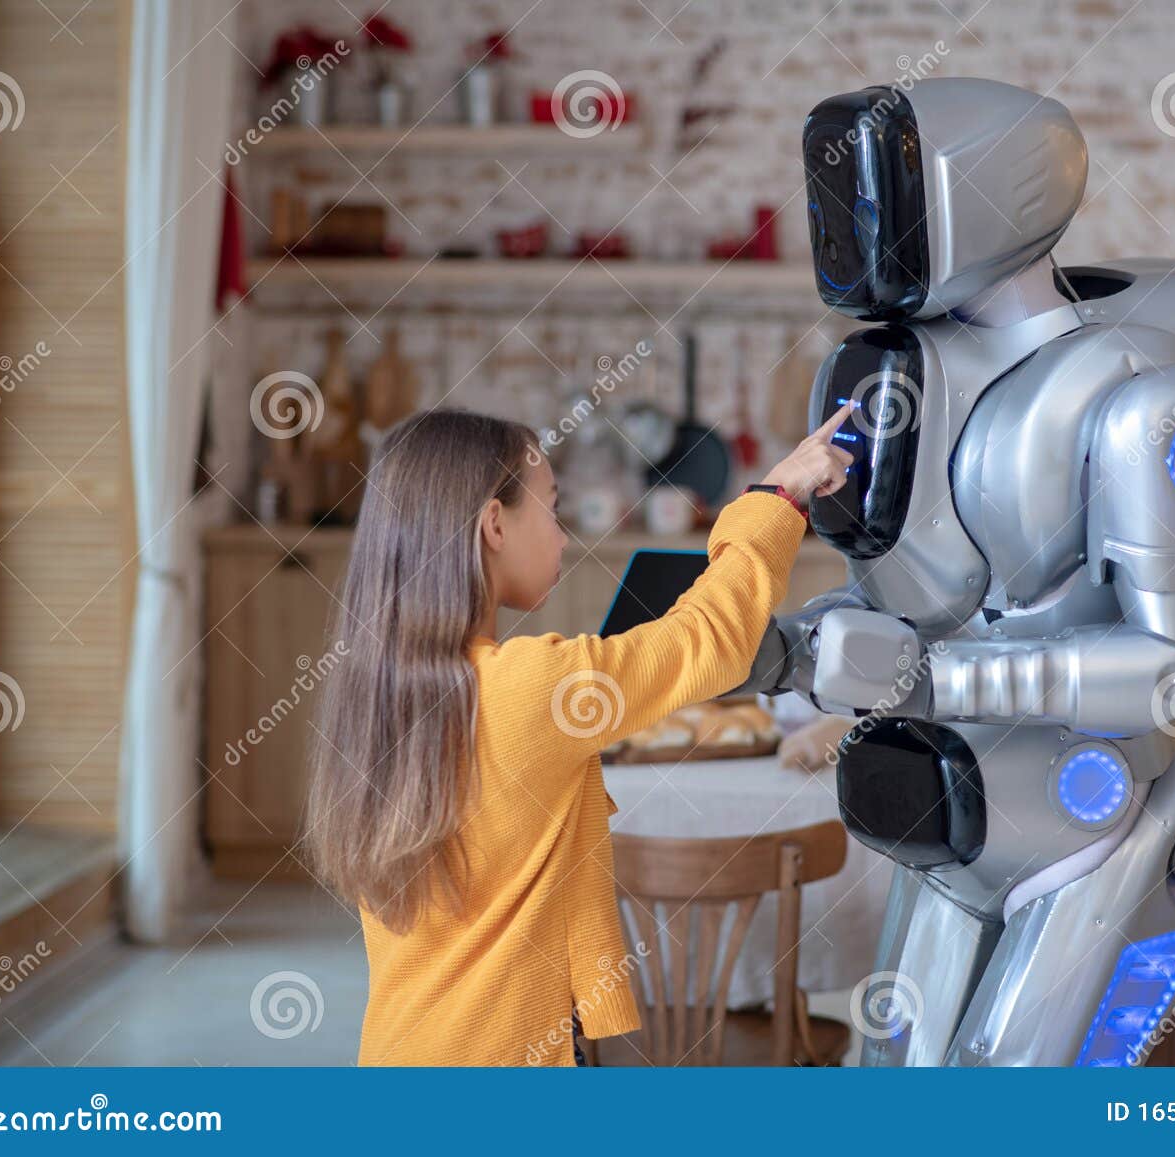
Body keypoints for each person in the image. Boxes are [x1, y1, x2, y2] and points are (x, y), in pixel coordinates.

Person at [302, 403, 854, 1065]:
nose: (564, 536)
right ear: (495, 524)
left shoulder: (376, 694)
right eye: (552, 508)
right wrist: (779, 494)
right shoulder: (532, 688)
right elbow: (713, 639)